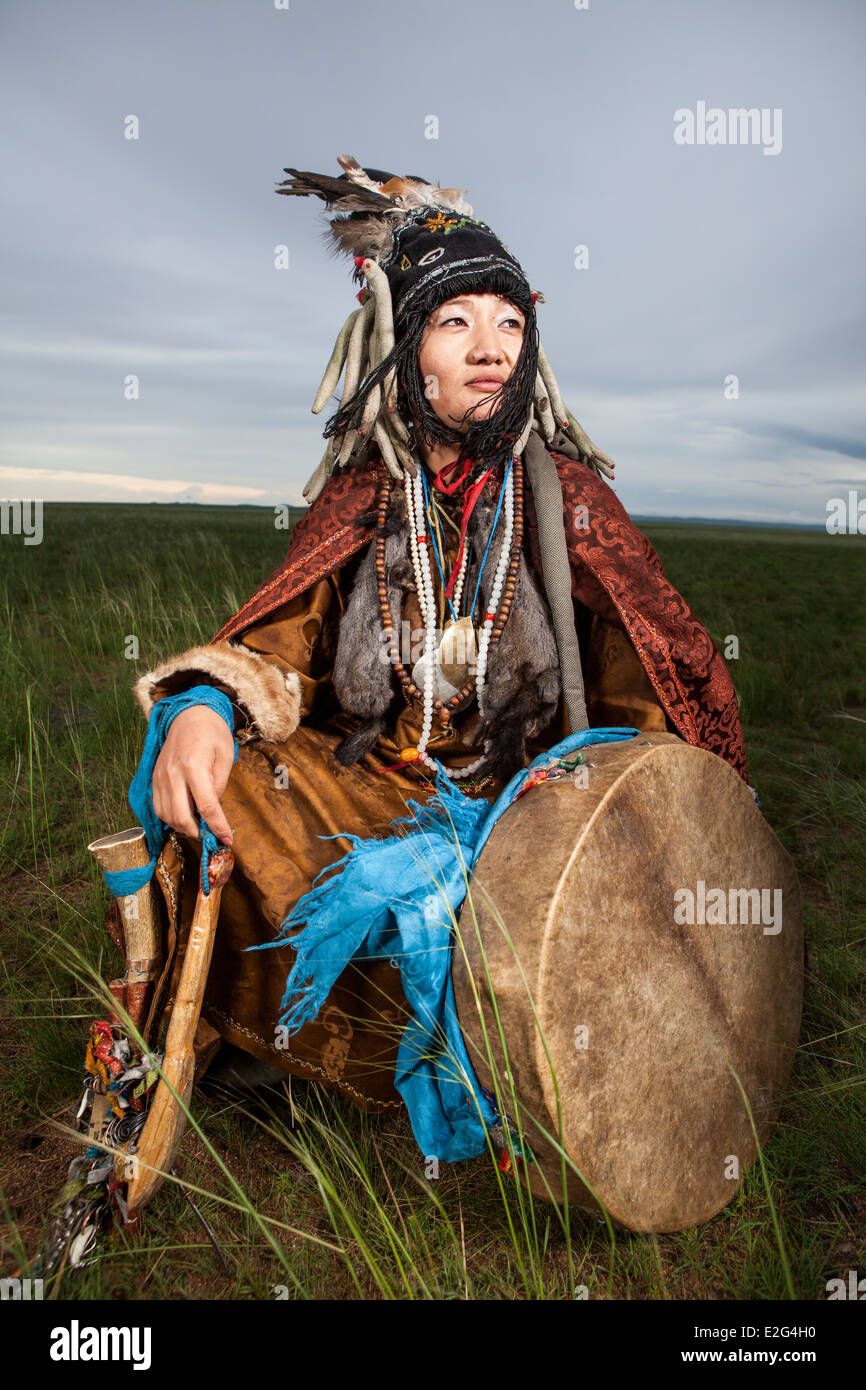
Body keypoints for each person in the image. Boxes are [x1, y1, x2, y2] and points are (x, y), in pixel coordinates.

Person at [131, 157, 747, 1116]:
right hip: (377, 778)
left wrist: (618, 797)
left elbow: (653, 670)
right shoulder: (367, 495)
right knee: (222, 784)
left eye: (510, 323)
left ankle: (434, 1057)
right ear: (404, 347)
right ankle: (275, 1043)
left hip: (521, 801)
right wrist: (209, 702)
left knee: (561, 890)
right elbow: (283, 639)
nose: (490, 345)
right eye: (456, 322)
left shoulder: (567, 500)